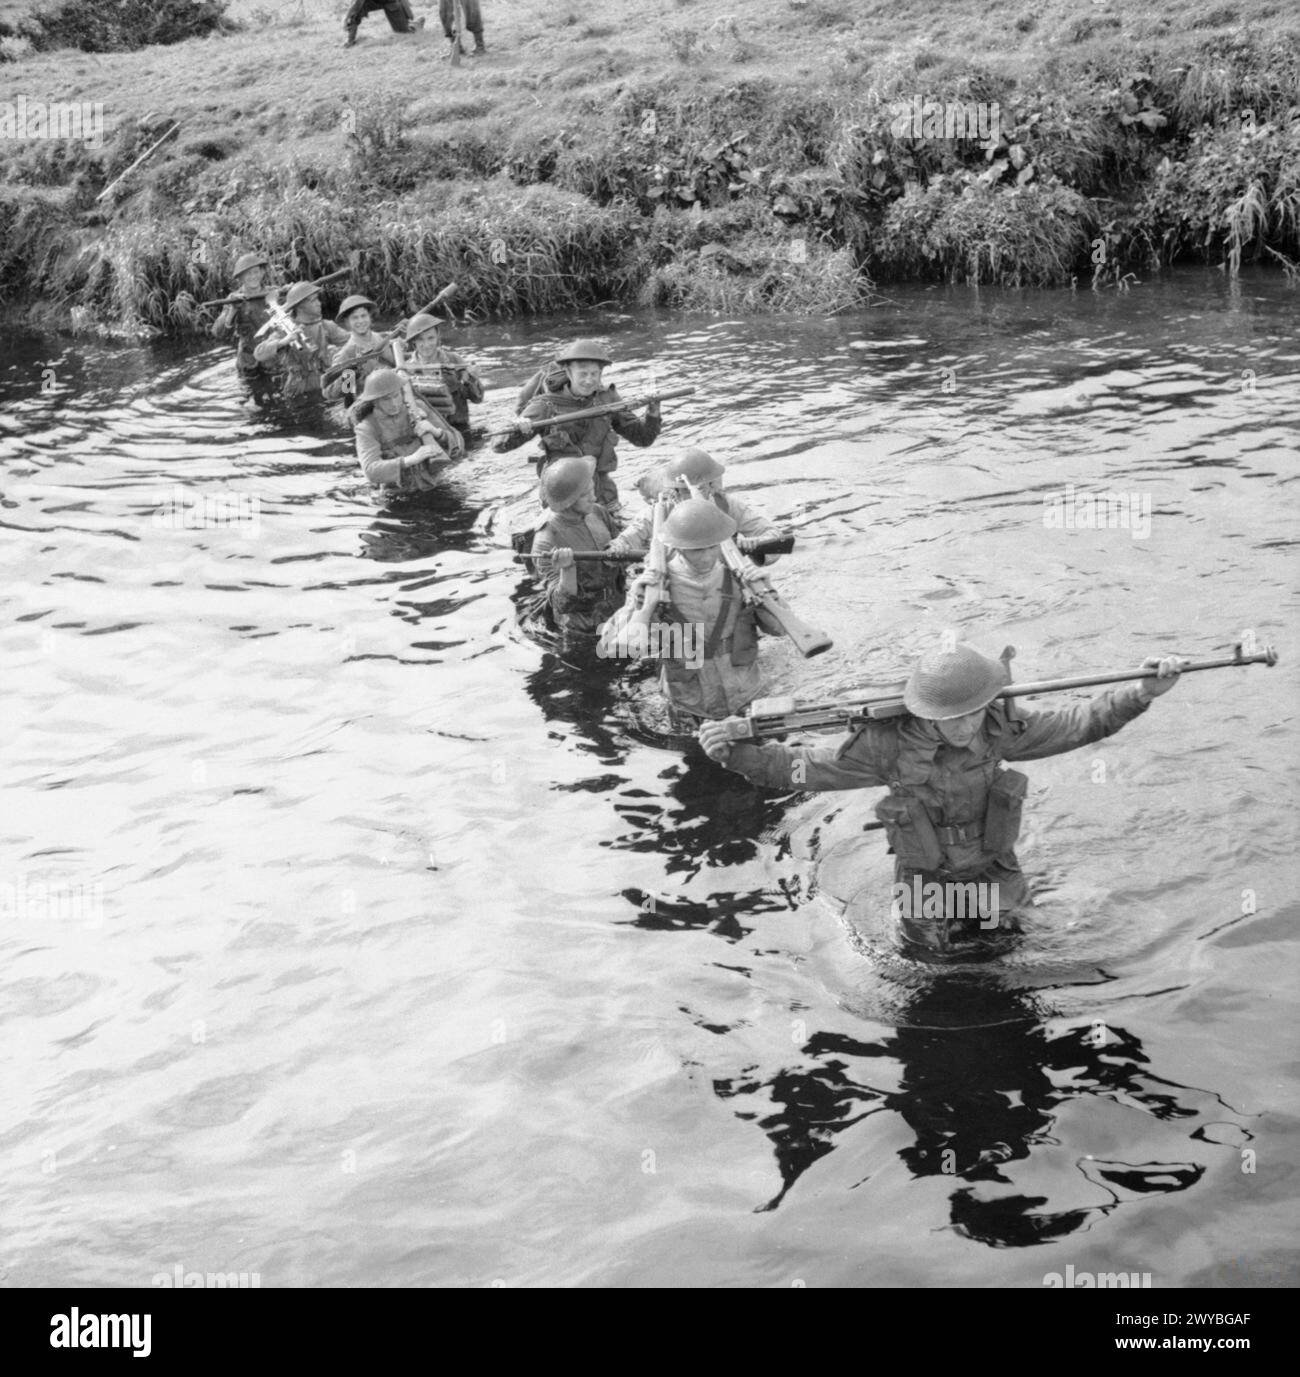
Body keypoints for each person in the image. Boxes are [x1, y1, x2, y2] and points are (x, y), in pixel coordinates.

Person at [698, 641, 1184, 954]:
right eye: (951, 717)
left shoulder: (1001, 728)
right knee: (927, 965)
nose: (965, 725)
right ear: (924, 711)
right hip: (924, 877)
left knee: (1007, 951)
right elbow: (806, 767)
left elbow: (1079, 725)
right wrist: (737, 757)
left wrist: (1140, 693)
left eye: (974, 712)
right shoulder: (885, 745)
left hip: (994, 867)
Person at [599, 497, 782, 726]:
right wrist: (639, 603)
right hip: (689, 702)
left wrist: (769, 592)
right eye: (697, 550)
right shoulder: (658, 583)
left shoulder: (740, 576)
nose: (706, 556)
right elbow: (615, 649)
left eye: (712, 547)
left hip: (746, 693)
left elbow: (780, 629)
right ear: (677, 547)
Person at [496, 339, 662, 511]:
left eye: (594, 374)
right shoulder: (545, 405)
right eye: (583, 374)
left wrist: (653, 413)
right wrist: (518, 429)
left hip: (602, 495)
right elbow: (499, 446)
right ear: (568, 372)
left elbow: (643, 438)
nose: (589, 380)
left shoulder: (607, 398)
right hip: (563, 497)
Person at [622, 448, 785, 565]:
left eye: (701, 488)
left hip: (723, 577)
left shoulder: (725, 505)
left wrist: (754, 544)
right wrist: (619, 546)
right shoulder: (660, 510)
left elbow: (774, 535)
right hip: (676, 578)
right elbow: (634, 534)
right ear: (675, 491)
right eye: (684, 491)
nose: (692, 496)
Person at [528, 457, 628, 637]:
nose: (594, 497)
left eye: (592, 489)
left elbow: (623, 551)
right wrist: (567, 570)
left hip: (619, 610)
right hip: (583, 628)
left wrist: (622, 551)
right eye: (585, 494)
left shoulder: (597, 511)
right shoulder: (546, 540)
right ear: (568, 500)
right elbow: (561, 604)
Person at [350, 367, 460, 504]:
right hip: (398, 494)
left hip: (435, 484)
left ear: (402, 392)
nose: (394, 403)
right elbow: (371, 471)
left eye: (396, 396)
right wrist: (410, 460)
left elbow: (458, 445)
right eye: (386, 399)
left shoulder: (417, 408)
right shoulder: (366, 427)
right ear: (375, 401)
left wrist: (436, 432)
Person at [251, 281, 349, 401]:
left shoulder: (325, 326)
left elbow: (352, 340)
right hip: (298, 388)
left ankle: (350, 403)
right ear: (300, 306)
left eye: (317, 299)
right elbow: (258, 354)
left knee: (351, 369)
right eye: (313, 301)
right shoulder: (286, 330)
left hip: (323, 382)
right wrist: (284, 341)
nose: (319, 303)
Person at [210, 251, 277, 406]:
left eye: (255, 272)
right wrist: (233, 309)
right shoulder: (233, 298)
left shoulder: (274, 292)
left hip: (272, 358)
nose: (253, 277)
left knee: (277, 396)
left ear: (262, 272)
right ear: (240, 278)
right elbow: (218, 333)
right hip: (248, 361)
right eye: (248, 274)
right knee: (251, 402)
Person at [404, 313, 483, 435]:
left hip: (459, 428)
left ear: (438, 337)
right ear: (413, 341)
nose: (426, 345)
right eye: (420, 339)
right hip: (428, 431)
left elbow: (477, 399)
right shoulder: (406, 370)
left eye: (431, 338)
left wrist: (473, 378)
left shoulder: (454, 360)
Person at [323, 294, 395, 407]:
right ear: (347, 322)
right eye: (355, 318)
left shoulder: (380, 338)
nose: (360, 321)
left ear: (370, 317)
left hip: (392, 393)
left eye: (363, 316)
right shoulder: (347, 353)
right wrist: (349, 375)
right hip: (368, 404)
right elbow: (333, 394)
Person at [345, 0, 425, 46]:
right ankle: (350, 41)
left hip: (391, 2)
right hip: (371, 1)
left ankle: (416, 25)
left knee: (403, 32)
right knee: (354, 14)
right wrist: (350, 40)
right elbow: (355, 9)